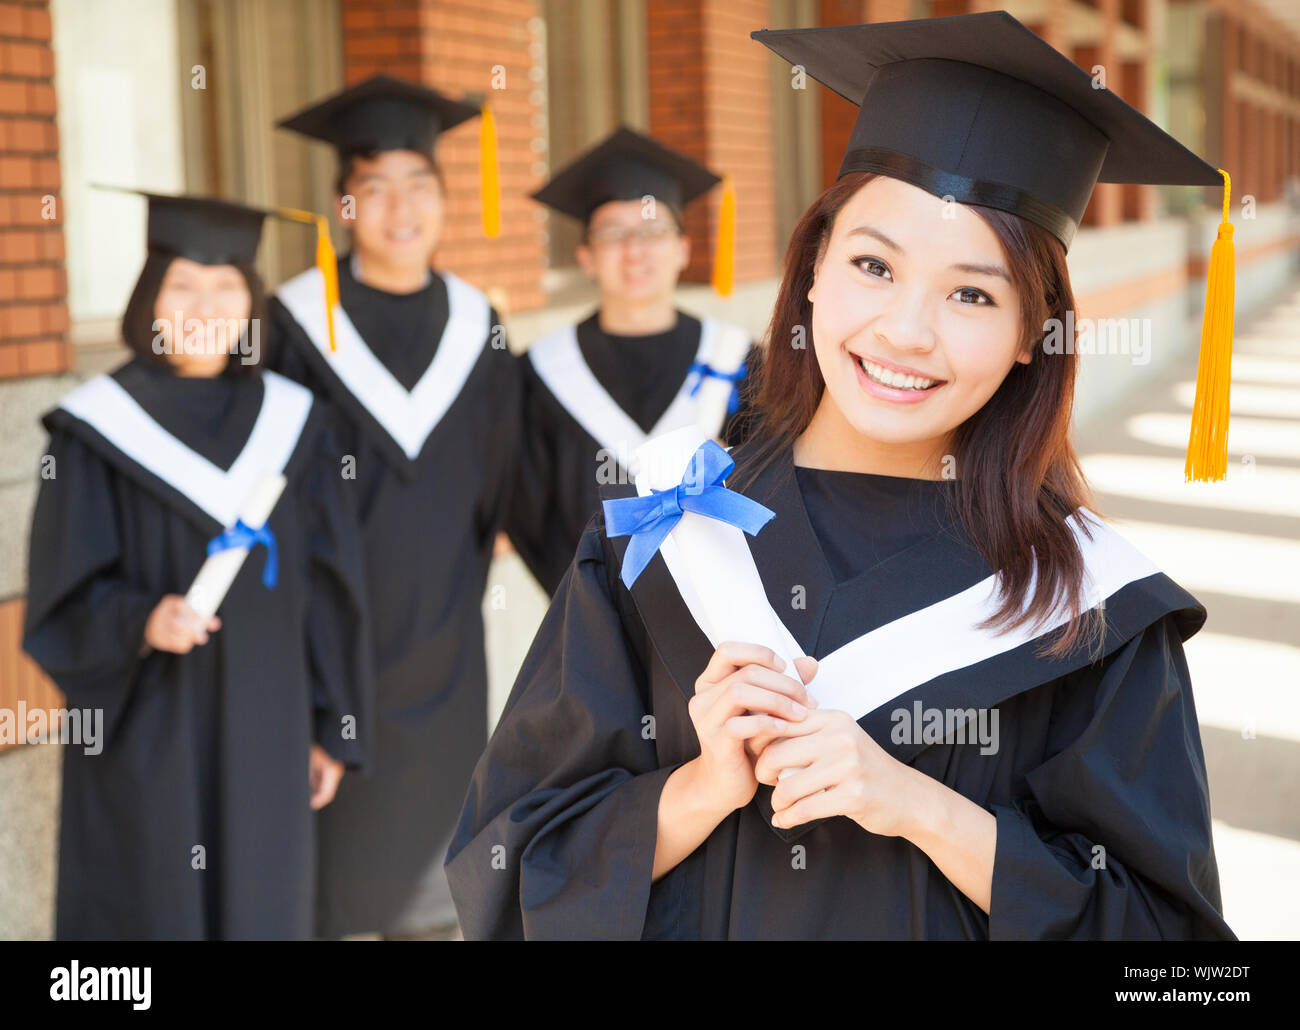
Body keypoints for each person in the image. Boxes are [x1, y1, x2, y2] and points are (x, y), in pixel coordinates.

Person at [445, 11, 1238, 940]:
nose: (906, 331)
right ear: (813, 268)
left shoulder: (1086, 609)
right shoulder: (665, 541)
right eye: (874, 265)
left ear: (1034, 335)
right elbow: (508, 863)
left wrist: (924, 811)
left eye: (972, 293)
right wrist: (701, 789)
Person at [23, 190, 371, 940]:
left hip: (269, 728)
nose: (204, 304)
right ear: (150, 297)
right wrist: (141, 620)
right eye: (183, 284)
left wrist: (331, 725)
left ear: (252, 304)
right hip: (149, 729)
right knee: (152, 907)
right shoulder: (95, 430)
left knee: (265, 902)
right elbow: (61, 595)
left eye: (226, 285)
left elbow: (330, 587)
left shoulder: (297, 423)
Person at [268, 74, 521, 939]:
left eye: (418, 185)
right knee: (338, 877)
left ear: (444, 200)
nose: (398, 208)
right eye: (374, 188)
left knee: (435, 874)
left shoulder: (477, 326)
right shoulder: (296, 325)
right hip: (328, 638)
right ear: (344, 205)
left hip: (446, 642)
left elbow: (498, 484)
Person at [505, 127, 759, 596]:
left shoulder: (741, 362)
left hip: (716, 624)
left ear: (683, 249)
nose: (635, 250)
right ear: (586, 257)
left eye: (653, 231)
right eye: (613, 235)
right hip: (588, 622)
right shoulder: (539, 375)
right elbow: (527, 513)